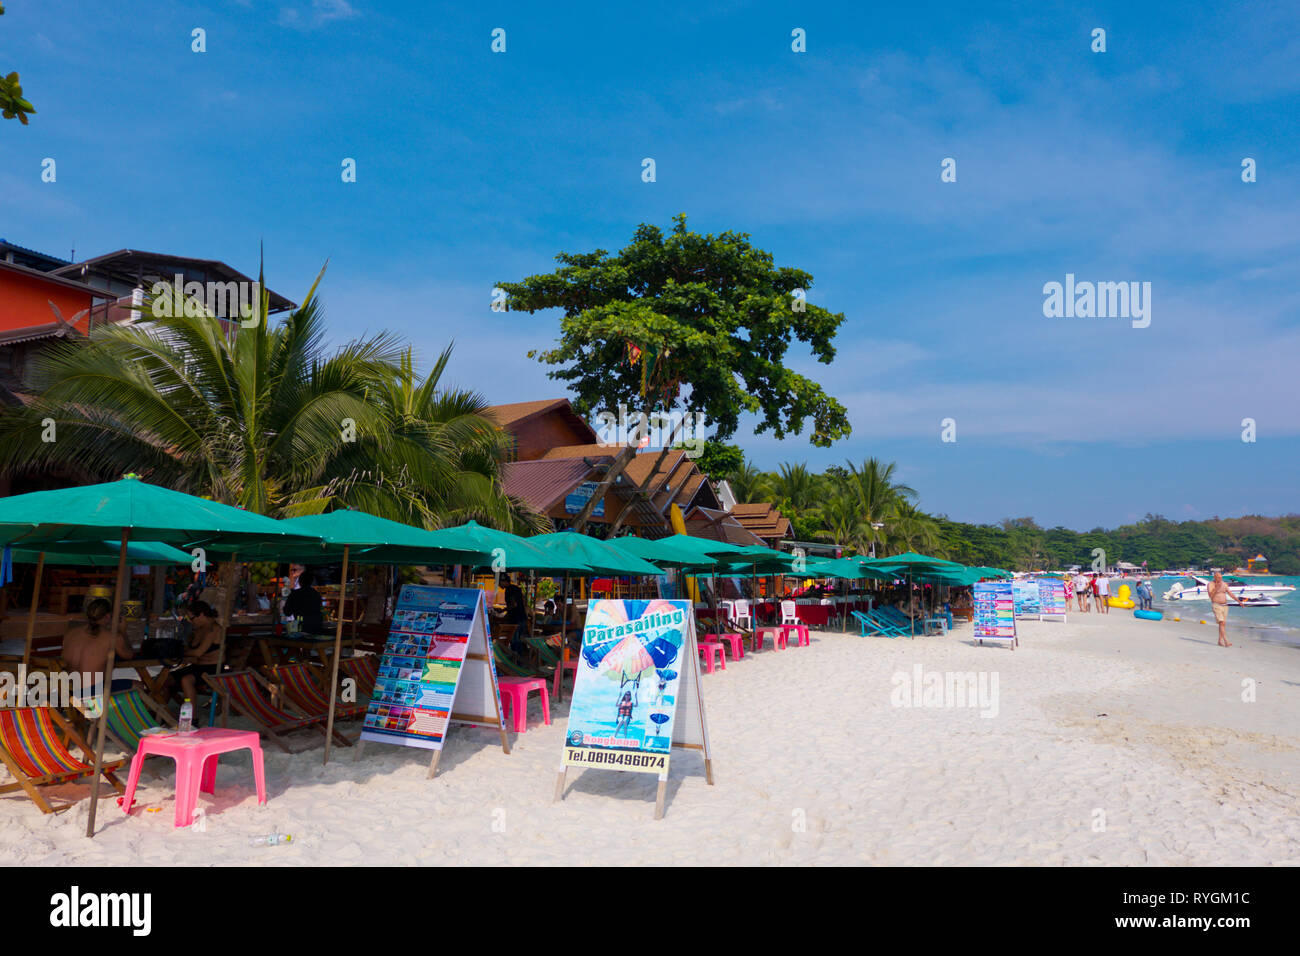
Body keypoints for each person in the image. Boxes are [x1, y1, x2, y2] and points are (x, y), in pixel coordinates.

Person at [62, 598, 135, 694]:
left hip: (69, 690)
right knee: (137, 685)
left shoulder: (70, 633)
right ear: (108, 616)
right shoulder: (113, 637)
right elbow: (129, 655)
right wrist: (122, 631)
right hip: (93, 692)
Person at [168, 600, 223, 709]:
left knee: (186, 680)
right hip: (197, 666)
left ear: (202, 615)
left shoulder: (215, 629)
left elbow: (198, 652)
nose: (191, 621)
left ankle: (192, 716)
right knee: (167, 678)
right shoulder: (199, 629)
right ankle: (161, 711)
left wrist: (181, 653)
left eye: (192, 618)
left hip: (213, 668)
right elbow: (190, 648)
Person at [1207, 571, 1246, 648]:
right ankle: (1226, 641)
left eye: (1221, 577)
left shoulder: (1224, 584)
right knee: (1221, 623)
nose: (1220, 579)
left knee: (1223, 624)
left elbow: (1230, 593)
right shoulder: (1210, 584)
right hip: (1216, 605)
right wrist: (1216, 588)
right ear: (1214, 577)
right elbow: (1210, 596)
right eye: (1218, 577)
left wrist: (1239, 602)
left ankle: (1219, 641)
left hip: (1225, 606)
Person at [282, 567, 326, 634]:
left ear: (300, 582)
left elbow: (287, 612)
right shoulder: (316, 594)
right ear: (311, 582)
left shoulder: (295, 594)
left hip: (302, 627)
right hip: (317, 627)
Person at [500, 573, 527, 655]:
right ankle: (520, 660)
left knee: (515, 641)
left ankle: (516, 661)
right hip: (522, 618)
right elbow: (523, 601)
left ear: (503, 581)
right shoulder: (517, 588)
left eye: (499, 583)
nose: (499, 585)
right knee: (519, 640)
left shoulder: (509, 590)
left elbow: (513, 604)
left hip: (515, 619)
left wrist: (503, 610)